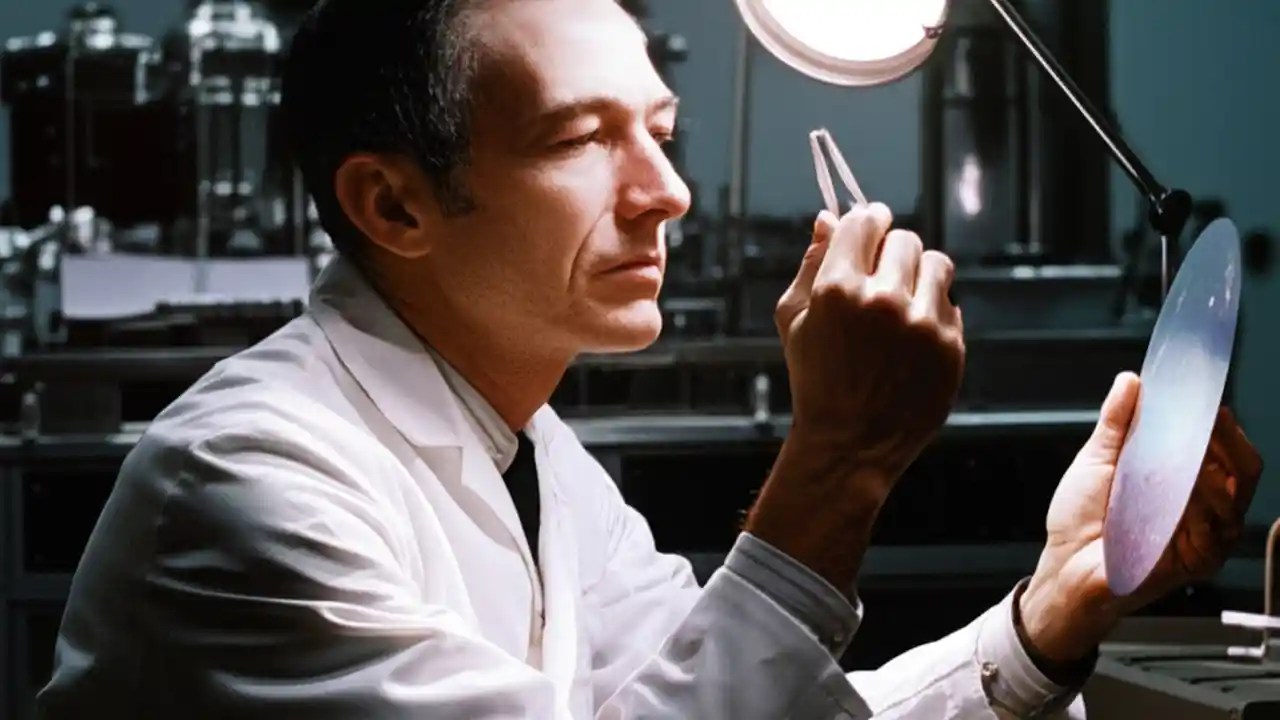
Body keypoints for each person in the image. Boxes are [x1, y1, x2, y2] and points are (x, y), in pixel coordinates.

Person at [36, 0, 1262, 718]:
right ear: (393, 206)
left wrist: (1047, 614)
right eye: (580, 140)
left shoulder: (536, 459)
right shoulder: (251, 487)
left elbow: (748, 706)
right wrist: (835, 463)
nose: (666, 193)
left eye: (662, 134)